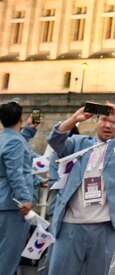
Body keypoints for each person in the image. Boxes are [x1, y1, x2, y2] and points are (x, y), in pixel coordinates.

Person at [47, 102, 115, 275]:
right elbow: (55, 140)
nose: (108, 125)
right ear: (96, 121)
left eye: (113, 122)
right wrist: (75, 119)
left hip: (106, 226)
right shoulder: (78, 143)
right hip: (71, 225)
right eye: (104, 120)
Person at [0, 101, 35, 275]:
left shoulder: (4, 138)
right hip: (12, 206)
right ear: (21, 118)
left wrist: (28, 130)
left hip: (2, 202)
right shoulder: (15, 141)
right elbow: (15, 173)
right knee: (8, 258)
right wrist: (25, 198)